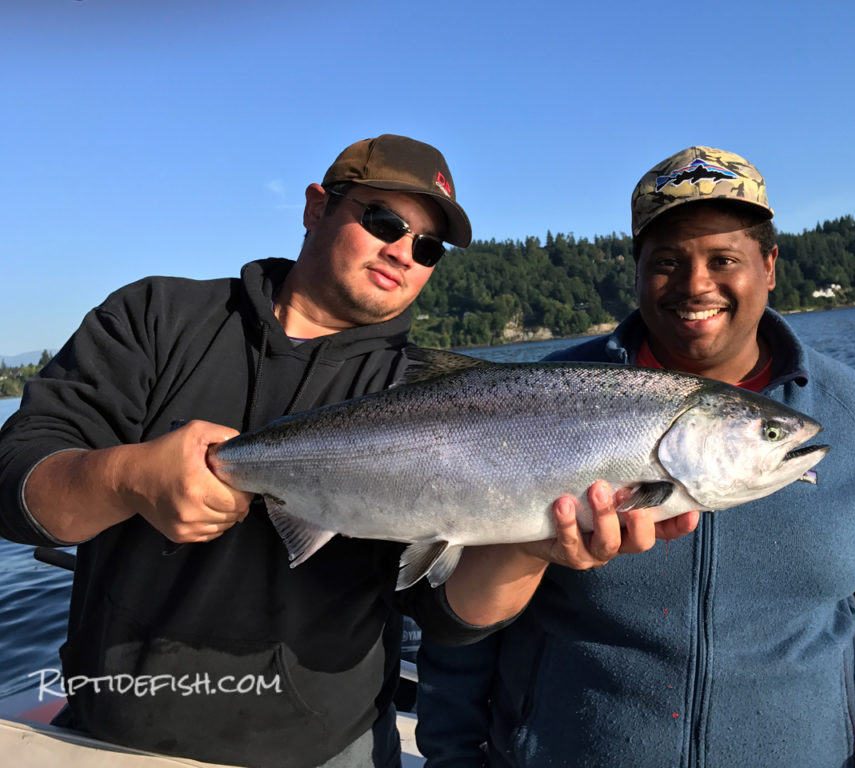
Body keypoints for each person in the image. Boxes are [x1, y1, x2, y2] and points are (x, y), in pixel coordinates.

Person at [0, 134, 695, 768]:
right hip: (108, 734)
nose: (403, 251)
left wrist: (533, 544)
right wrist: (125, 478)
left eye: (427, 248)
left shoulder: (430, 388)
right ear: (315, 207)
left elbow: (449, 618)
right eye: (385, 222)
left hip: (331, 749)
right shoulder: (155, 318)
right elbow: (15, 481)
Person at [415, 146, 855, 768]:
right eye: (666, 261)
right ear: (635, 272)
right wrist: (451, 754)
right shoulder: (538, 401)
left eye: (723, 259)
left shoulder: (852, 411)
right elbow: (462, 619)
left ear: (768, 266)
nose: (695, 285)